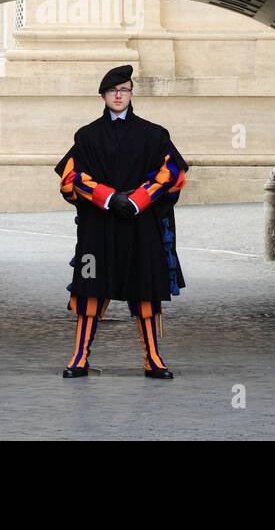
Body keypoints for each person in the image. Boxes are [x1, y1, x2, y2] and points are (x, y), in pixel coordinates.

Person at [54, 64, 188, 380]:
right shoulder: (85, 136)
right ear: (103, 95)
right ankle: (79, 358)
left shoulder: (155, 134)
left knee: (145, 292)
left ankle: (153, 359)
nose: (118, 95)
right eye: (113, 90)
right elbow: (73, 177)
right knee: (89, 291)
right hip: (97, 228)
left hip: (141, 226)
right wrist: (110, 198)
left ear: (130, 93)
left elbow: (171, 174)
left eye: (124, 89)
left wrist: (137, 200)